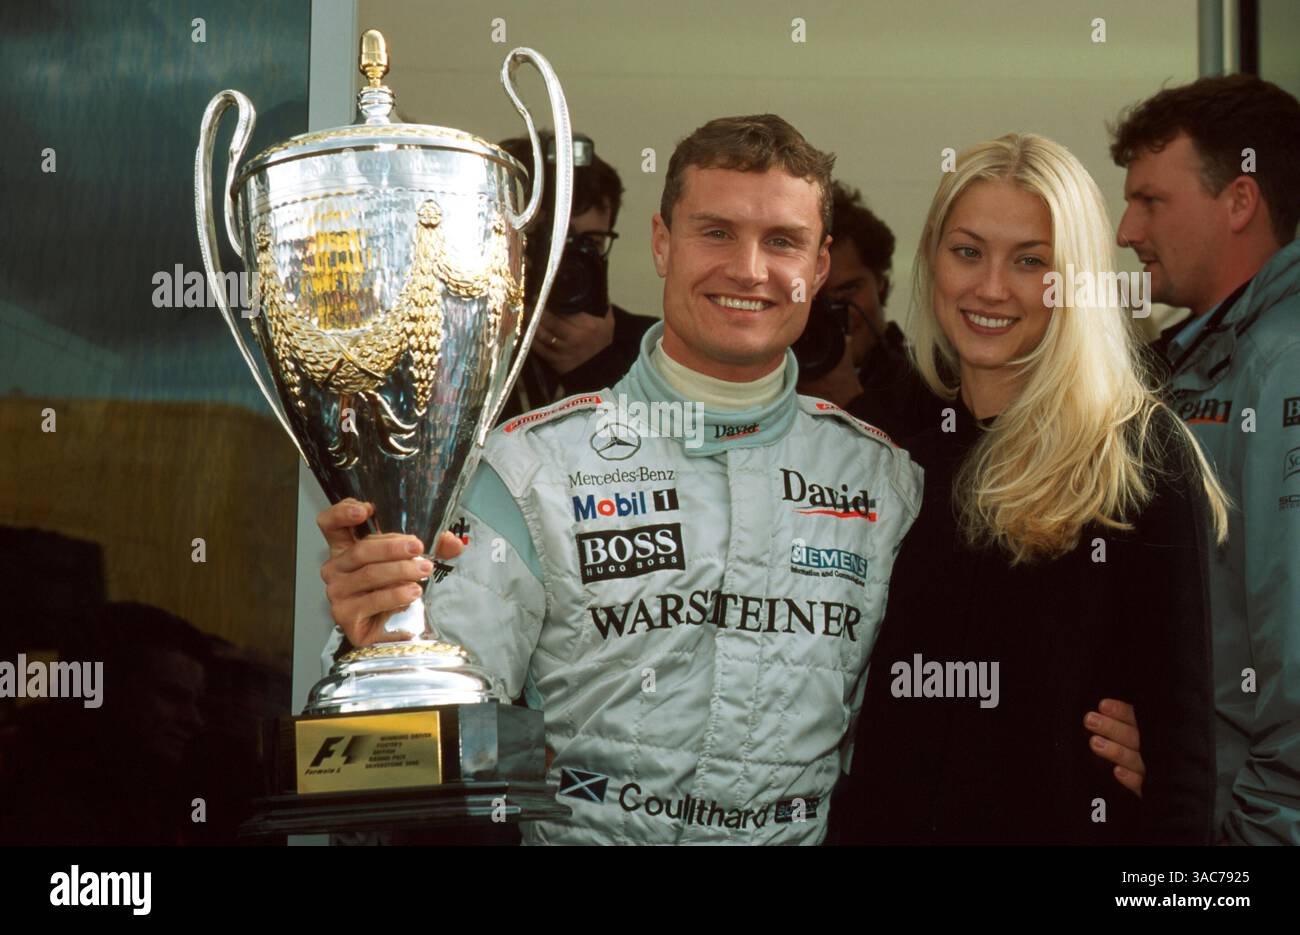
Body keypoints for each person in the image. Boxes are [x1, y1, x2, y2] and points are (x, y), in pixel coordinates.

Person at [318, 114, 923, 845]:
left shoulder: (884, 481)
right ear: (662, 243)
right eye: (717, 232)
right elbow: (394, 771)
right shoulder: (530, 467)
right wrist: (372, 648)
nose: (750, 269)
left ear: (820, 267)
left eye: (782, 241)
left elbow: (920, 752)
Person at [833, 133, 1229, 844]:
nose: (990, 287)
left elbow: (1182, 767)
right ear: (932, 258)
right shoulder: (889, 447)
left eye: (1030, 261)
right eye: (967, 251)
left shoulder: (1134, 454)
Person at [1109, 73, 1300, 844]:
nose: (1126, 229)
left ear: (1239, 201)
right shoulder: (1202, 360)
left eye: (1150, 200)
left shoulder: (1283, 363)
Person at [495, 132, 655, 423]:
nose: (567, 261)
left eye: (590, 245)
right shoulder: (465, 345)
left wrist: (598, 366)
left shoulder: (652, 348)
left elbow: (659, 458)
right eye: (550, 241)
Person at [796, 181, 947, 437]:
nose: (834, 312)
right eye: (816, 297)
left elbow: (921, 471)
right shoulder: (765, 374)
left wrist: (849, 400)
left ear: (882, 285)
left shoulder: (931, 385)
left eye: (847, 290)